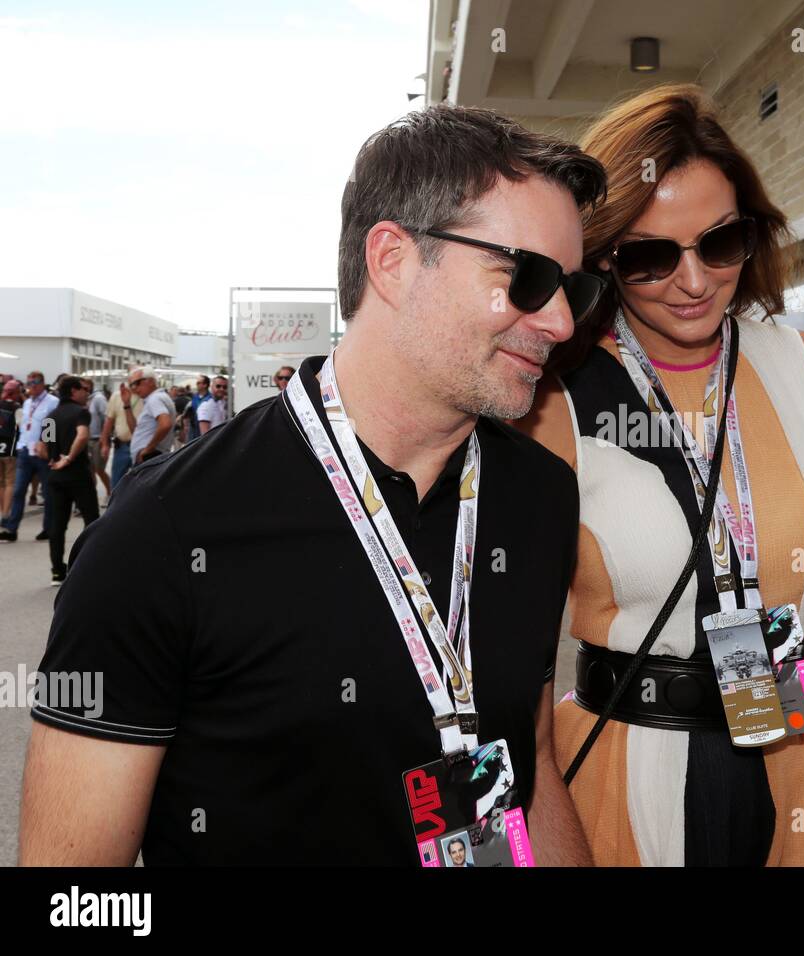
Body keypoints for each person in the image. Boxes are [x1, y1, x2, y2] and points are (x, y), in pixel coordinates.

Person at [19, 103, 608, 866]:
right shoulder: (163, 530)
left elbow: (530, 761)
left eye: (575, 288)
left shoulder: (541, 495)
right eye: (525, 277)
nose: (560, 322)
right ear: (393, 260)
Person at [517, 84, 804, 866]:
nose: (694, 280)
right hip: (625, 770)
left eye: (720, 243)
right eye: (650, 255)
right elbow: (520, 659)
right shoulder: (554, 400)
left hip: (792, 755)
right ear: (604, 256)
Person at [37, 376, 100, 584]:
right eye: (84, 388)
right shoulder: (81, 413)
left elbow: (41, 448)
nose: (87, 392)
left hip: (55, 476)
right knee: (91, 520)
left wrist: (56, 460)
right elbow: (82, 436)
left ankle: (57, 571)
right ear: (73, 391)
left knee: (58, 523)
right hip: (77, 474)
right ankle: (89, 566)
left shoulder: (51, 415)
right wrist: (69, 458)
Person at [0, 371, 58, 543]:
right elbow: (24, 426)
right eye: (29, 382)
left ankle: (48, 528)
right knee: (18, 490)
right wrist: (20, 445)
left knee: (48, 492)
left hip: (41, 453)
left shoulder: (52, 402)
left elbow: (52, 424)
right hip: (25, 451)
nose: (31, 386)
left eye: (35, 382)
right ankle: (12, 529)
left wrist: (46, 443)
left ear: (42, 383)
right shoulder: (27, 403)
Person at [126, 366, 175, 465]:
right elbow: (136, 430)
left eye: (137, 383)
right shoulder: (159, 397)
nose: (134, 388)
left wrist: (148, 449)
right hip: (153, 456)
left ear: (151, 381)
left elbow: (165, 424)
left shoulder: (155, 399)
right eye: (131, 385)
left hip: (150, 457)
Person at [101, 373, 141, 490]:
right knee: (117, 483)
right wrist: (105, 444)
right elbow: (109, 421)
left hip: (140, 447)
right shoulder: (116, 396)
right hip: (121, 446)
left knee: (139, 484)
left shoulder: (146, 397)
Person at [85, 380, 111, 502]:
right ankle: (90, 497)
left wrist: (104, 438)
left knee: (99, 469)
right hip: (87, 440)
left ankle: (110, 493)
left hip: (97, 439)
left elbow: (107, 418)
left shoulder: (99, 398)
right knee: (89, 470)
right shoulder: (85, 400)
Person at [0, 379, 21, 523]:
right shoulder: (17, 408)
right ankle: (6, 514)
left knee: (0, 482)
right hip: (10, 449)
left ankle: (2, 511)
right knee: (9, 482)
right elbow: (21, 428)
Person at [183, 375, 211, 443]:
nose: (196, 385)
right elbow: (188, 412)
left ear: (205, 385)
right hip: (193, 430)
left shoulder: (210, 399)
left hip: (204, 430)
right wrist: (186, 425)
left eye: (198, 383)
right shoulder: (194, 397)